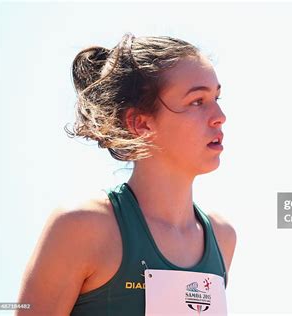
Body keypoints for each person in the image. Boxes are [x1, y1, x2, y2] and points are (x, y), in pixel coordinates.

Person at [16, 33, 236, 315]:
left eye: (216, 97)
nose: (219, 115)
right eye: (197, 101)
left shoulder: (222, 237)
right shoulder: (82, 227)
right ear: (140, 123)